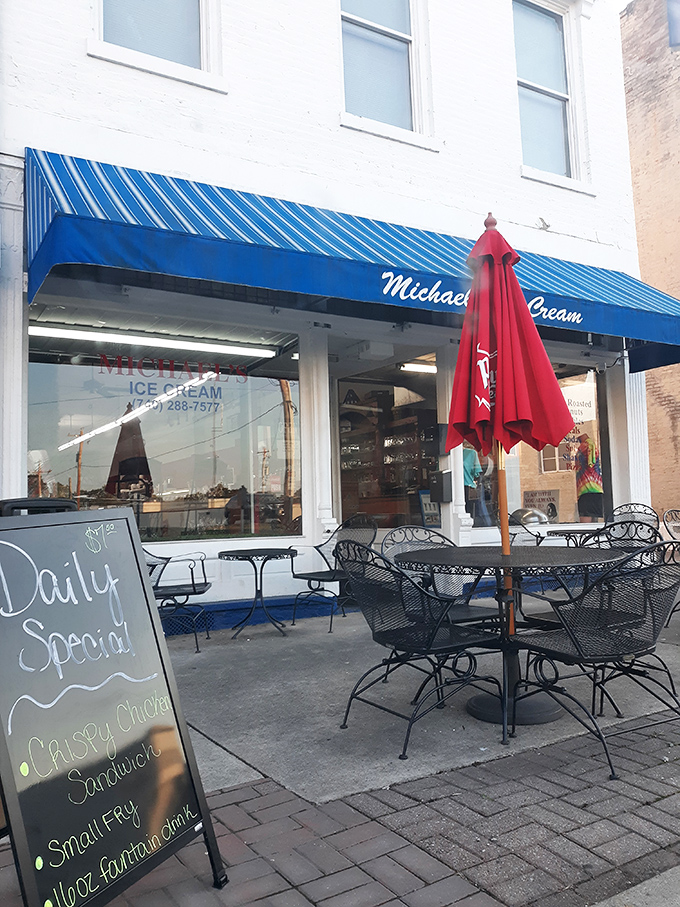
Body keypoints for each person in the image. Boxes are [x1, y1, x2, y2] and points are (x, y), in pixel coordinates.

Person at [573, 433, 604, 522]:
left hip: (588, 489)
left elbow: (591, 464)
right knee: (594, 523)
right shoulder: (587, 445)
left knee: (585, 524)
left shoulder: (587, 445)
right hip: (591, 489)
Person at [462, 445, 482, 518]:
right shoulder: (448, 454)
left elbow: (477, 473)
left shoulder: (471, 453)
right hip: (453, 486)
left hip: (467, 486)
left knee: (469, 512)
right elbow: (476, 472)